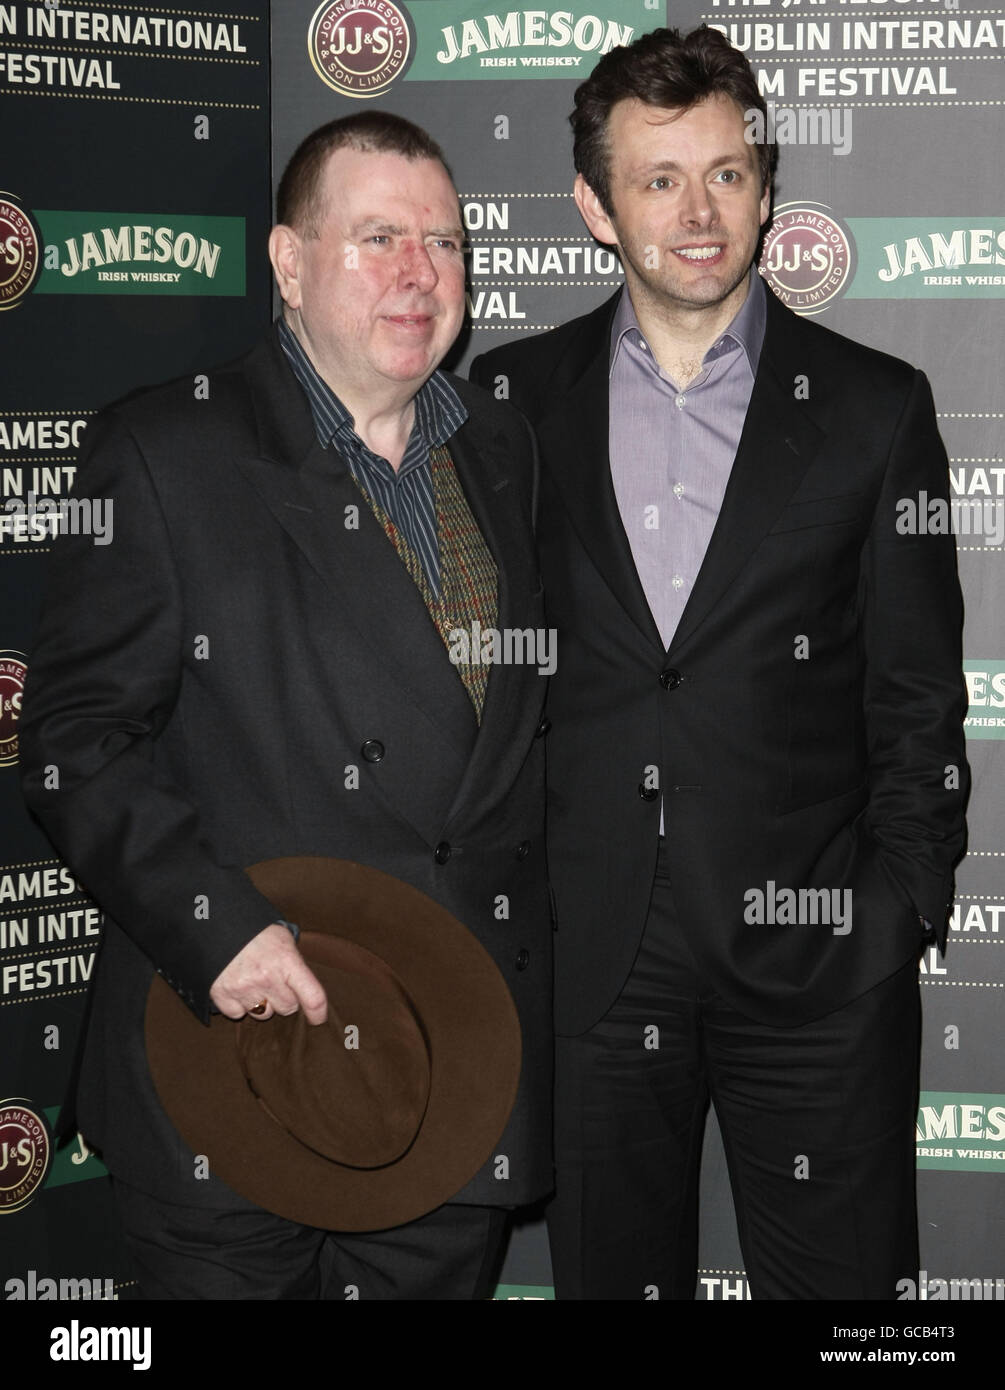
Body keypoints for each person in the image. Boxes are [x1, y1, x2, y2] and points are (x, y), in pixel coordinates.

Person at [471, 26, 968, 1300]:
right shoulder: (512, 402)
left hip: (816, 958)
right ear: (594, 204)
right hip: (593, 960)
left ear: (765, 183)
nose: (701, 214)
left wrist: (893, 907)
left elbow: (916, 696)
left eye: (729, 173)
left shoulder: (875, 406)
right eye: (658, 179)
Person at [20, 112, 552, 1300]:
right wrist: (220, 926)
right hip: (234, 1070)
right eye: (378, 238)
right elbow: (72, 741)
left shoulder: (506, 451)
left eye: (446, 242)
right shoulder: (166, 452)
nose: (421, 270)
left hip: (443, 1079)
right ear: (288, 263)